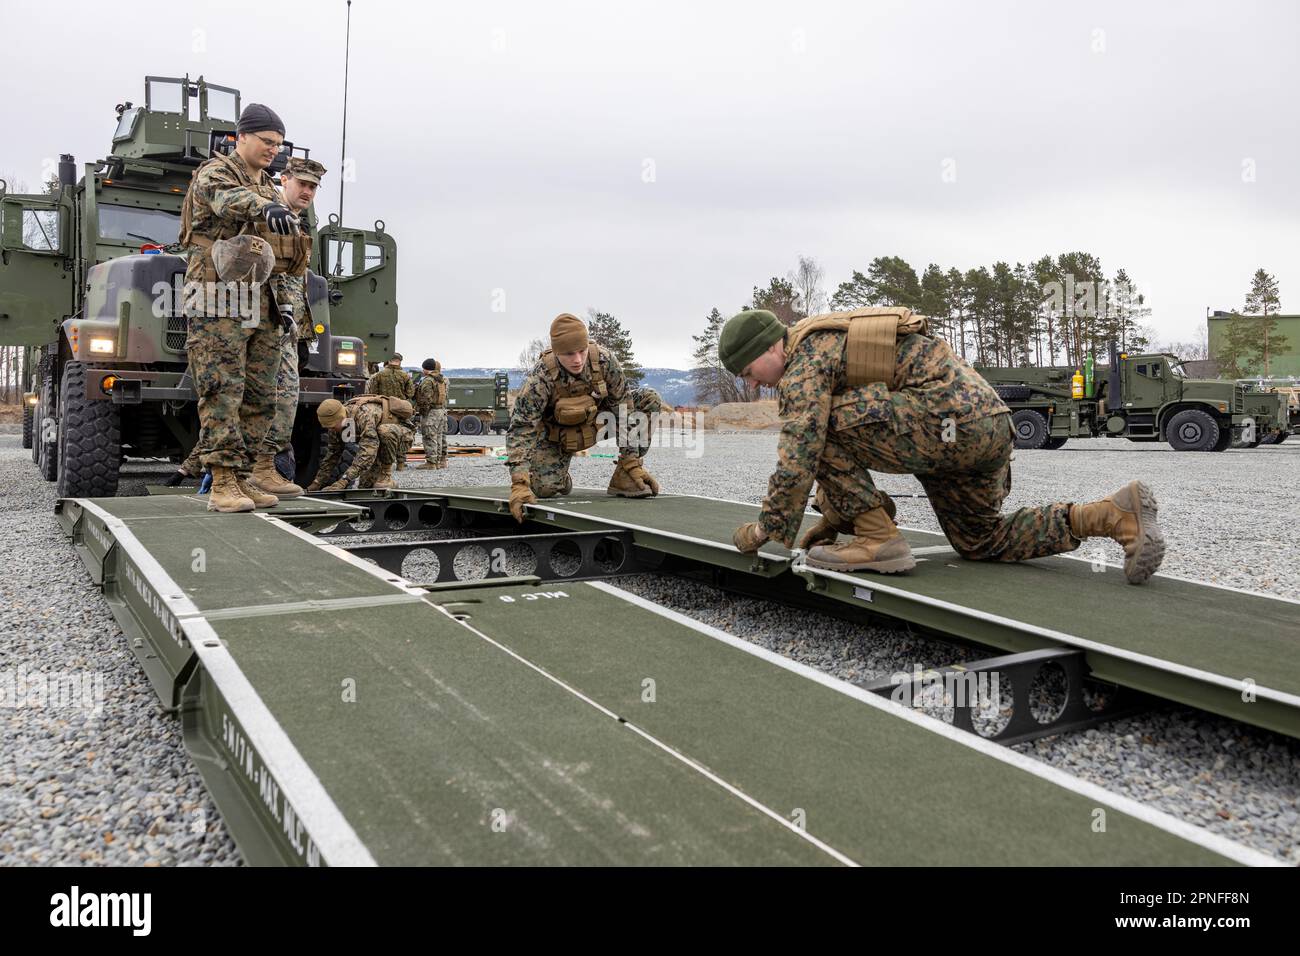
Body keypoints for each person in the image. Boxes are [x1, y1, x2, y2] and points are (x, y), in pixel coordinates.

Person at [723, 307, 1166, 584]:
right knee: (980, 540)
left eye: (748, 370)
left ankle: (879, 539)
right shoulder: (824, 344)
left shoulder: (806, 357)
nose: (753, 382)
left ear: (769, 346)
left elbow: (801, 451)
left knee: (816, 428)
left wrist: (768, 528)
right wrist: (839, 516)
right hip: (985, 428)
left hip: (945, 421)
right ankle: (1111, 515)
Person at [178, 102, 309, 512]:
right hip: (217, 294)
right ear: (242, 138)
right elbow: (226, 200)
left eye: (278, 144)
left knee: (260, 393)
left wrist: (286, 305)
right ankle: (221, 482)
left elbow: (277, 254)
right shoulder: (216, 173)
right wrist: (263, 207)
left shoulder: (271, 186)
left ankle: (246, 474)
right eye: (267, 142)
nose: (273, 150)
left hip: (262, 300)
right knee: (222, 389)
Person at [506, 313, 669, 522]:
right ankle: (559, 477)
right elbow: (521, 428)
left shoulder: (604, 361)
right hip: (558, 437)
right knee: (543, 489)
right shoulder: (540, 378)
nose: (577, 360)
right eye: (569, 354)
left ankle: (624, 476)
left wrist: (630, 462)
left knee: (648, 399)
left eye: (582, 351)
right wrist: (519, 483)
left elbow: (624, 410)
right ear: (556, 352)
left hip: (596, 424)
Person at [305, 396, 410, 492]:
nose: (331, 429)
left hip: (401, 435)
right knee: (365, 488)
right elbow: (333, 454)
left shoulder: (364, 415)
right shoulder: (338, 424)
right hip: (376, 441)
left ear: (341, 418)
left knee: (385, 431)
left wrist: (344, 480)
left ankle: (386, 474)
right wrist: (317, 482)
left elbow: (368, 452)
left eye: (332, 426)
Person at [367, 353, 415, 469]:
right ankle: (401, 463)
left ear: (388, 361)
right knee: (401, 434)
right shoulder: (405, 376)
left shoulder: (379, 375)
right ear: (400, 361)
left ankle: (383, 464)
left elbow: (373, 392)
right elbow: (410, 393)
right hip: (400, 410)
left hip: (384, 409)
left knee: (383, 434)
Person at [415, 358, 448, 470]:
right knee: (438, 437)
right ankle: (437, 461)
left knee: (429, 436)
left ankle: (431, 462)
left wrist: (422, 412)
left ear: (425, 369)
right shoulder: (441, 379)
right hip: (440, 411)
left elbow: (425, 399)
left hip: (431, 412)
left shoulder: (428, 380)